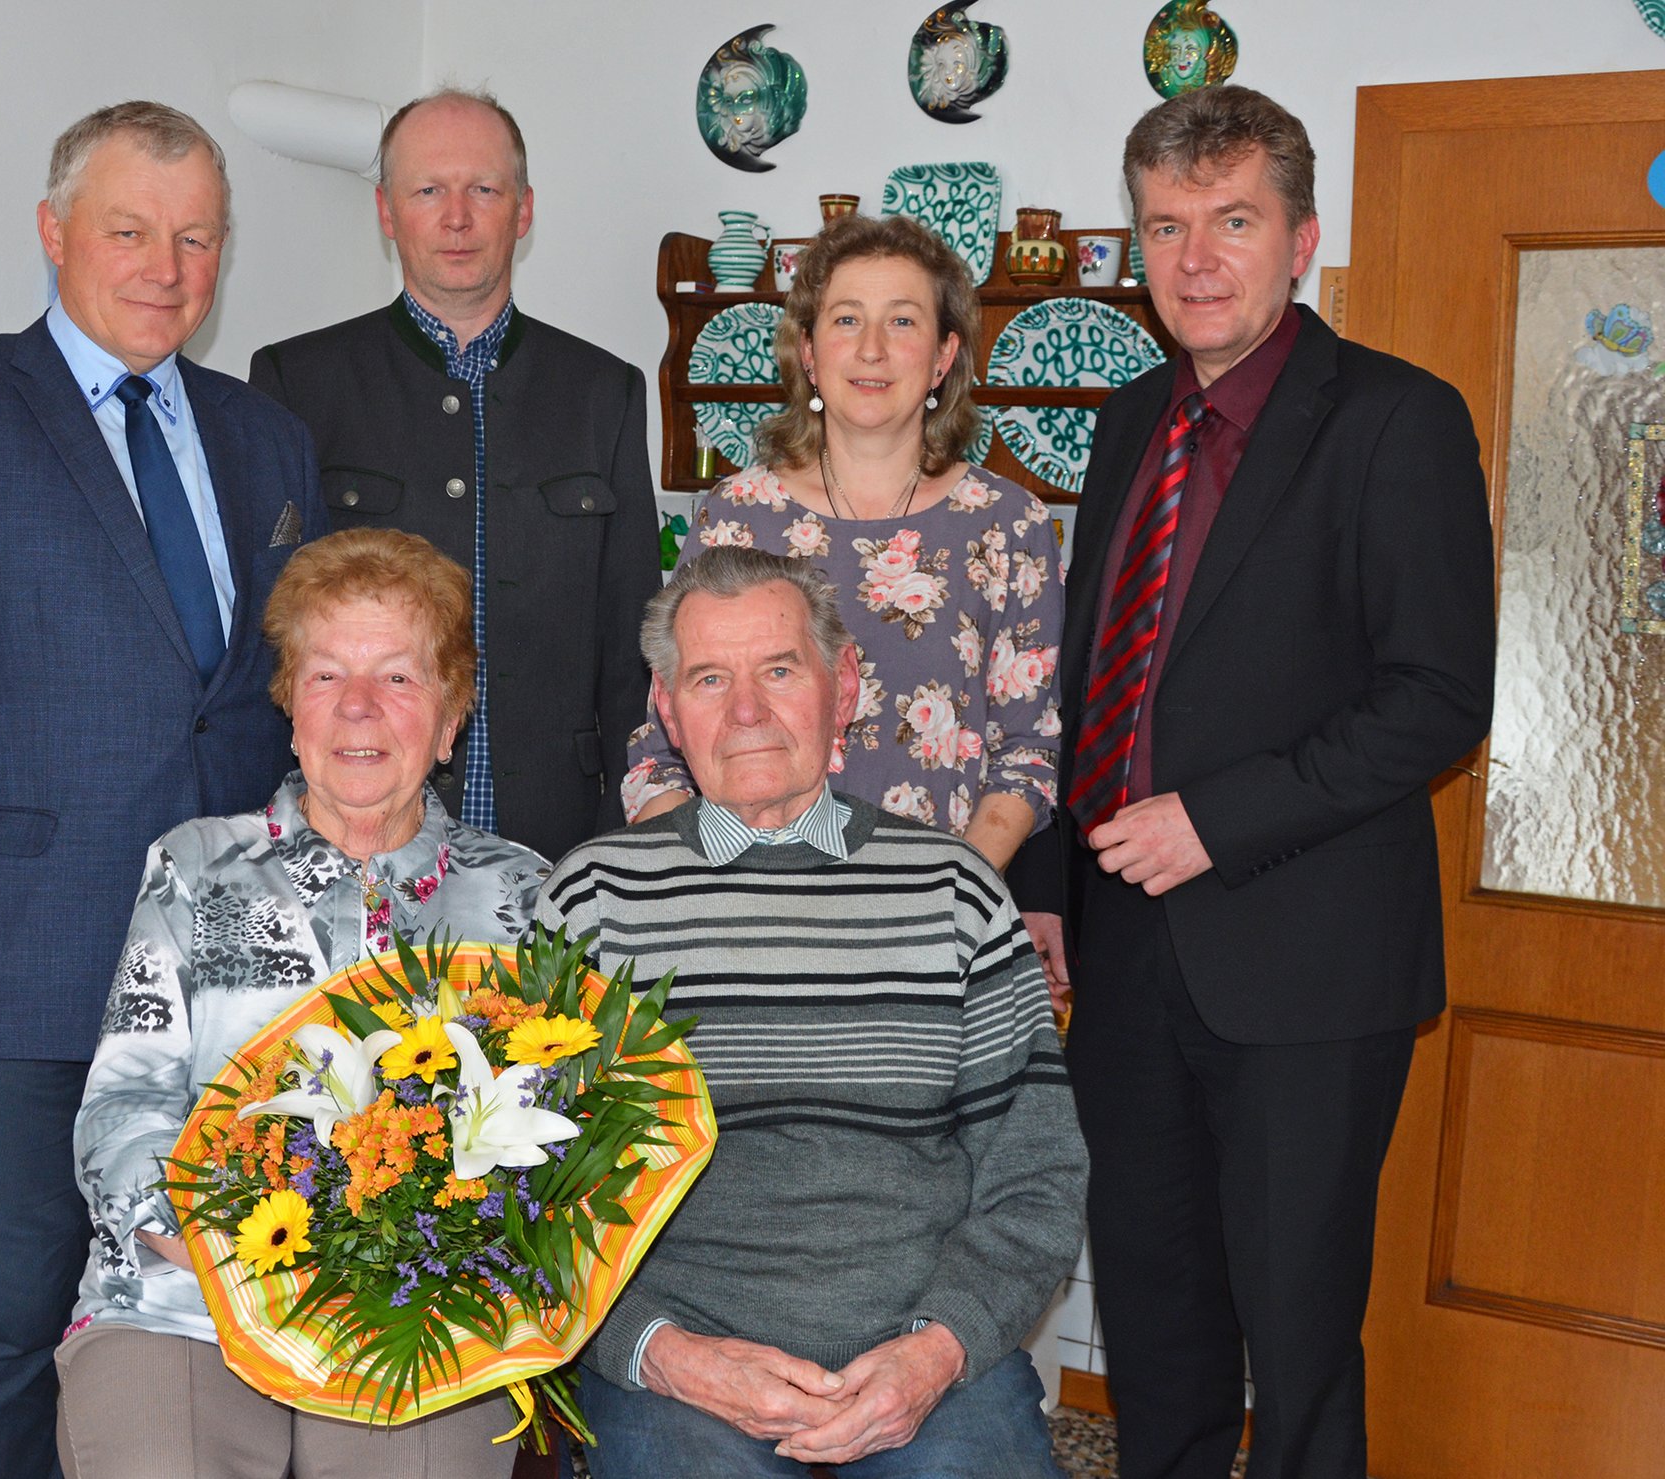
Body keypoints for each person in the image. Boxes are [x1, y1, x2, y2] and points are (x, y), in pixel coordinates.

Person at [0, 101, 328, 1477]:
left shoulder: (270, 441)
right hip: (11, 972)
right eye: (129, 230)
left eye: (197, 236)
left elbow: (287, 704)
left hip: (228, 981)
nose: (167, 265)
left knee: (199, 1312)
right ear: (54, 234)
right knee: (5, 1317)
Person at [1007, 87, 1496, 1478]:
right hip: (1124, 947)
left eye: (1232, 221)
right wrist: (1048, 884)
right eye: (1167, 226)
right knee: (1156, 1327)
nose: (1197, 257)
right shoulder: (1124, 421)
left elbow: (1438, 699)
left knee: (1295, 1344)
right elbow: (1085, 680)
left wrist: (1216, 819)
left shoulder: (1398, 421)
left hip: (1307, 962)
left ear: (1302, 238)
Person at [539, 545, 1086, 1479]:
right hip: (684, 1359)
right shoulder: (592, 900)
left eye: (779, 670)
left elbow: (1033, 1175)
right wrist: (659, 1351)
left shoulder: (954, 891)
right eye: (710, 678)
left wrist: (934, 1352)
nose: (747, 710)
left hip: (924, 1352)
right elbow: (529, 1190)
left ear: (845, 685)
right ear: (667, 708)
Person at [57, 528, 546, 1478]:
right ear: (290, 709)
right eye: (326, 676)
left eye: (399, 678)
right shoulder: (193, 866)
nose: (358, 705)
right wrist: (234, 1253)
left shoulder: (520, 892)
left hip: (419, 1310)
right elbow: (122, 1109)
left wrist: (429, 1260)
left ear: (450, 720)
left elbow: (553, 1129)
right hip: (185, 1298)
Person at [623, 213, 1067, 982]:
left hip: (930, 925)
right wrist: (712, 884)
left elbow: (1028, 754)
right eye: (846, 319)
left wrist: (951, 891)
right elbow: (660, 742)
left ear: (943, 357)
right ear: (809, 353)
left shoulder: (1008, 524)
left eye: (902, 320)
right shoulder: (736, 516)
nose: (871, 348)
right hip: (746, 926)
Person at [249, 86, 659, 863]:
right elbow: (273, 645)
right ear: (385, 211)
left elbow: (631, 648)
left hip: (559, 839)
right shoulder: (297, 382)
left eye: (484, 189)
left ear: (524, 210)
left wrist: (618, 843)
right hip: (353, 840)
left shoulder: (605, 392)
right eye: (429, 190)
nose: (458, 217)